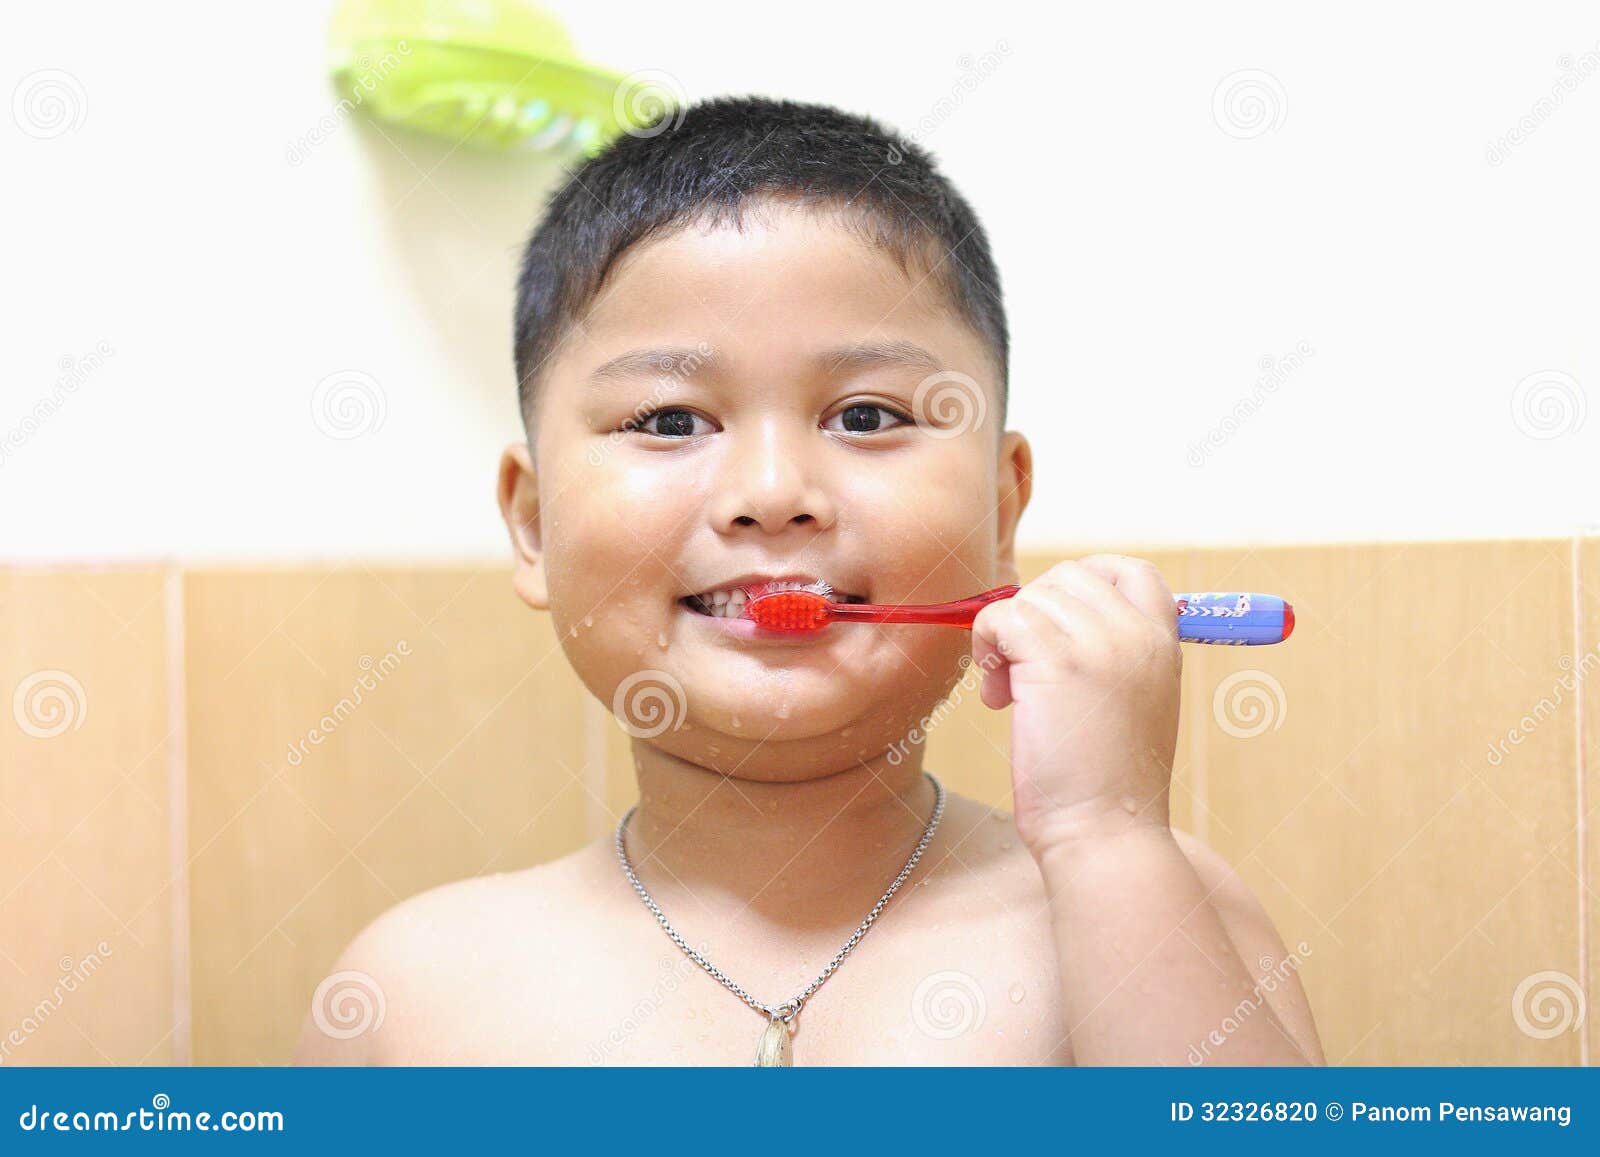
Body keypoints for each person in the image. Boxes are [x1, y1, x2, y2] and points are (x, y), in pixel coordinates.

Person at [295, 95, 1323, 1066]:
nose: (773, 493)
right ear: (532, 523)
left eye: (867, 416)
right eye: (669, 420)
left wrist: (1105, 834)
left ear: (1002, 511)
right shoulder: (409, 996)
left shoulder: (1156, 906)